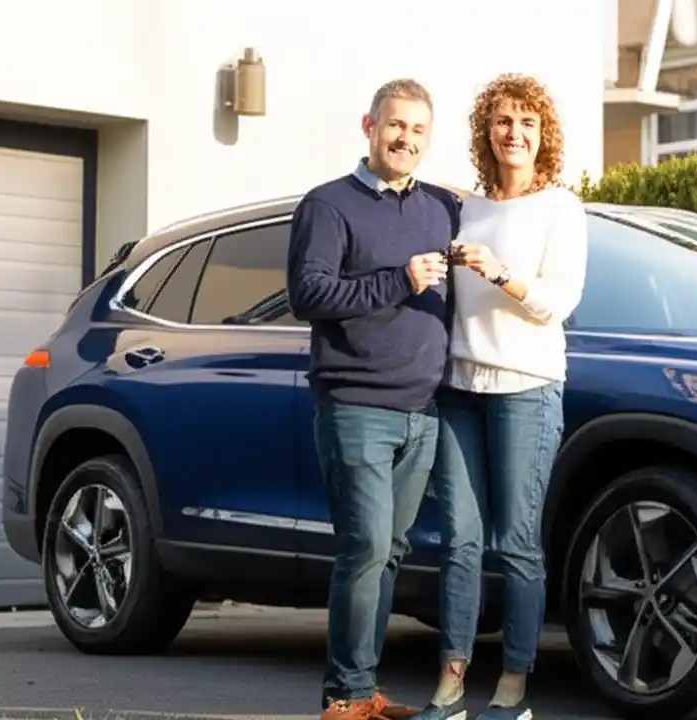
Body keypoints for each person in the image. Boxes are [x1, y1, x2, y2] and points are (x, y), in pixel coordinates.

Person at [411, 73, 588, 720]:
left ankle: (513, 685)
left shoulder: (560, 208)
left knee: (515, 544)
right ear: (487, 132)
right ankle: (450, 682)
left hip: (526, 391)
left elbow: (558, 302)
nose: (514, 133)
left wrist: (501, 272)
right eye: (503, 121)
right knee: (458, 541)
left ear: (544, 136)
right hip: (459, 389)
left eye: (527, 123)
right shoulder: (467, 208)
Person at [287, 78, 461, 720]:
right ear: (369, 127)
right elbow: (308, 294)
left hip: (424, 413)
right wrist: (400, 280)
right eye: (395, 126)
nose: (405, 139)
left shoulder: (442, 208)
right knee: (364, 547)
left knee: (389, 551)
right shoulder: (328, 205)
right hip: (356, 406)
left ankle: (362, 688)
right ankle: (345, 696)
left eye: (417, 130)